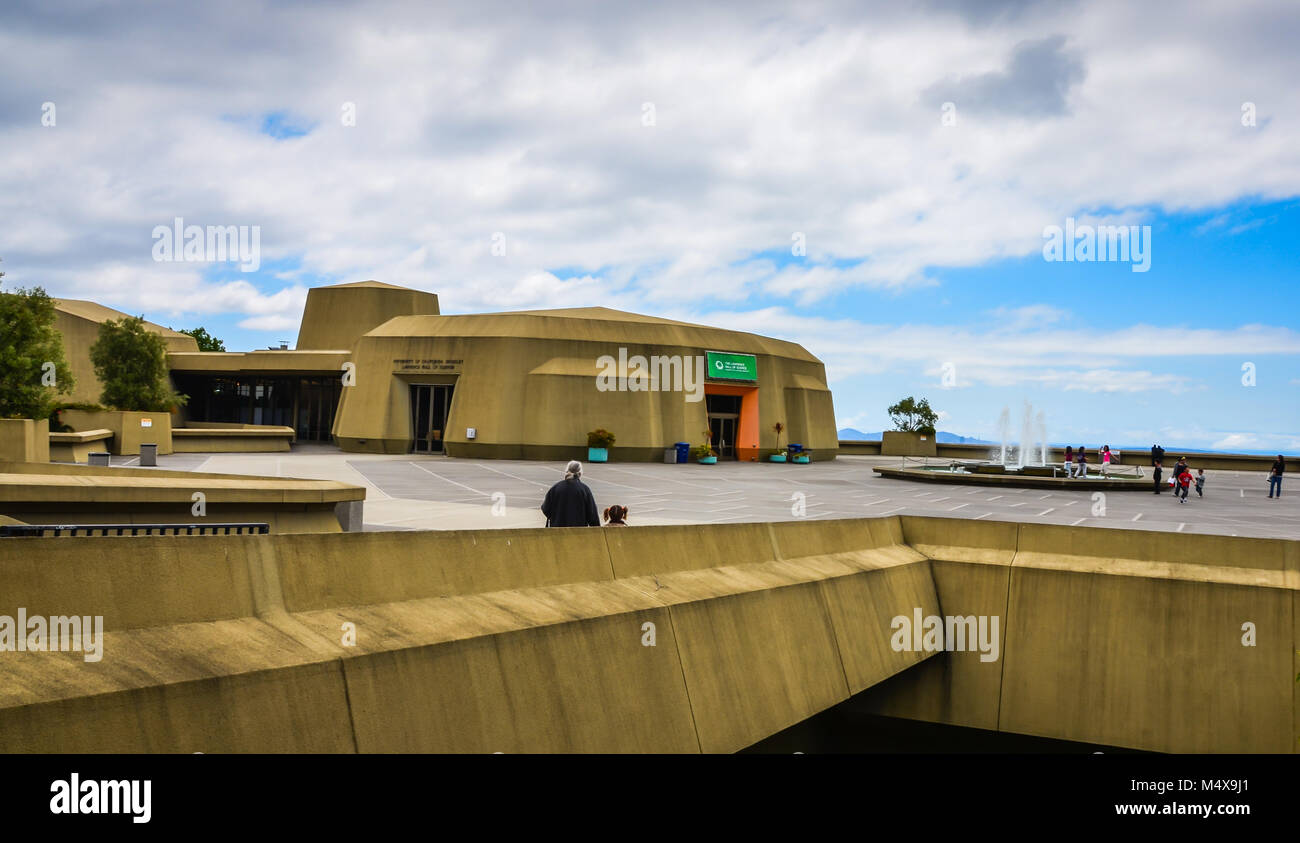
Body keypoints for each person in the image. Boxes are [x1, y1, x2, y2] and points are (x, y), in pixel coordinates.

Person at [540, 460, 600, 527]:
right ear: (580, 474)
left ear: (566, 471)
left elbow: (545, 508)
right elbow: (592, 515)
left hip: (557, 531)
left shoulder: (555, 488)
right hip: (579, 532)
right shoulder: (585, 490)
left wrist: (556, 517)